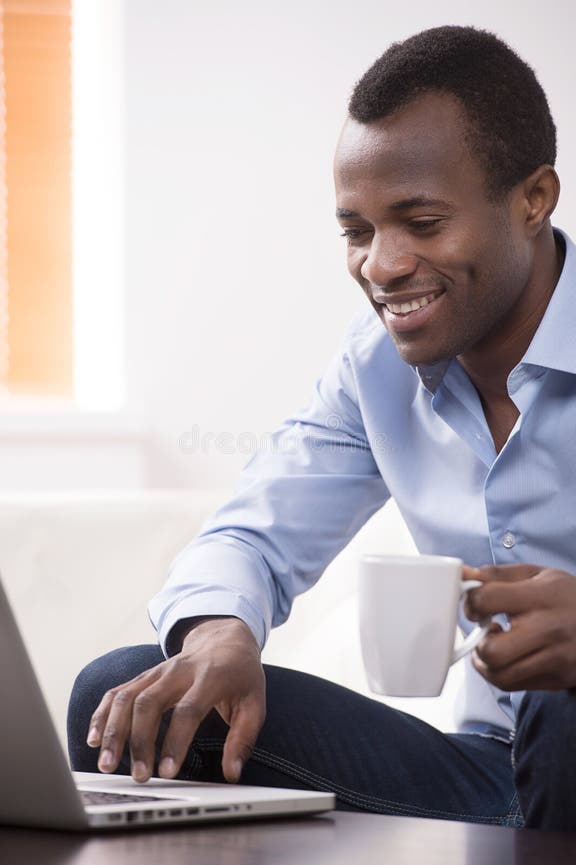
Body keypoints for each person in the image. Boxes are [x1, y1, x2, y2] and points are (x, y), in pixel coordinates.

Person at [67, 25, 576, 831]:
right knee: (127, 696)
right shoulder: (375, 368)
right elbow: (252, 536)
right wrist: (218, 632)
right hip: (486, 768)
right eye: (359, 231)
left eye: (422, 220)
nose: (381, 264)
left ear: (532, 199)